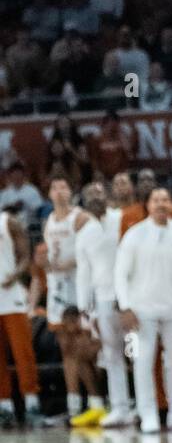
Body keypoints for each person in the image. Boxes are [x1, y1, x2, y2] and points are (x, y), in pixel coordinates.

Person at [115, 186, 172, 434]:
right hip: (141, 311)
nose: (160, 204)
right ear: (148, 205)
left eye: (164, 199)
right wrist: (125, 307)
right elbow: (121, 273)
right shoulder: (134, 235)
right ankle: (147, 413)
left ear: (170, 203)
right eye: (155, 199)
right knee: (142, 360)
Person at [75, 182, 132, 428]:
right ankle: (119, 407)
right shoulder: (85, 232)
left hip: (130, 297)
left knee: (137, 353)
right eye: (90, 194)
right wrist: (83, 307)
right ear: (84, 201)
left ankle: (143, 405)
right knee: (111, 353)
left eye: (99, 192)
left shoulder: (121, 219)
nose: (95, 197)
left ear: (107, 195)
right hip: (103, 298)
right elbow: (83, 272)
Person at [43, 175, 94, 421]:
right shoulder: (49, 220)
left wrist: (70, 262)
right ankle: (74, 404)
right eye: (55, 187)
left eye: (63, 186)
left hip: (80, 286)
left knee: (84, 348)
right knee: (66, 349)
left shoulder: (81, 218)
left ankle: (95, 399)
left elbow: (93, 251)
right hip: (58, 290)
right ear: (49, 193)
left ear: (71, 191)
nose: (59, 190)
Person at [0, 209, 43, 427]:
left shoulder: (8, 221)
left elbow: (26, 256)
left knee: (23, 352)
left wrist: (15, 275)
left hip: (11, 297)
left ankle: (32, 403)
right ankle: (4, 407)